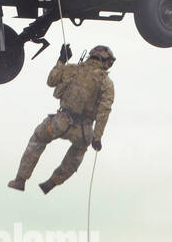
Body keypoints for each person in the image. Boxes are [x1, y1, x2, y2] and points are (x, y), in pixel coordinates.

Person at [8, 44, 115, 194]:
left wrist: (61, 60)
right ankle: (52, 183)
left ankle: (20, 180)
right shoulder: (106, 83)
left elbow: (51, 80)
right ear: (107, 62)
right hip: (83, 131)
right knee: (77, 153)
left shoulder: (72, 69)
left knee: (38, 138)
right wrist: (97, 138)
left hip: (60, 122)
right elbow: (104, 111)